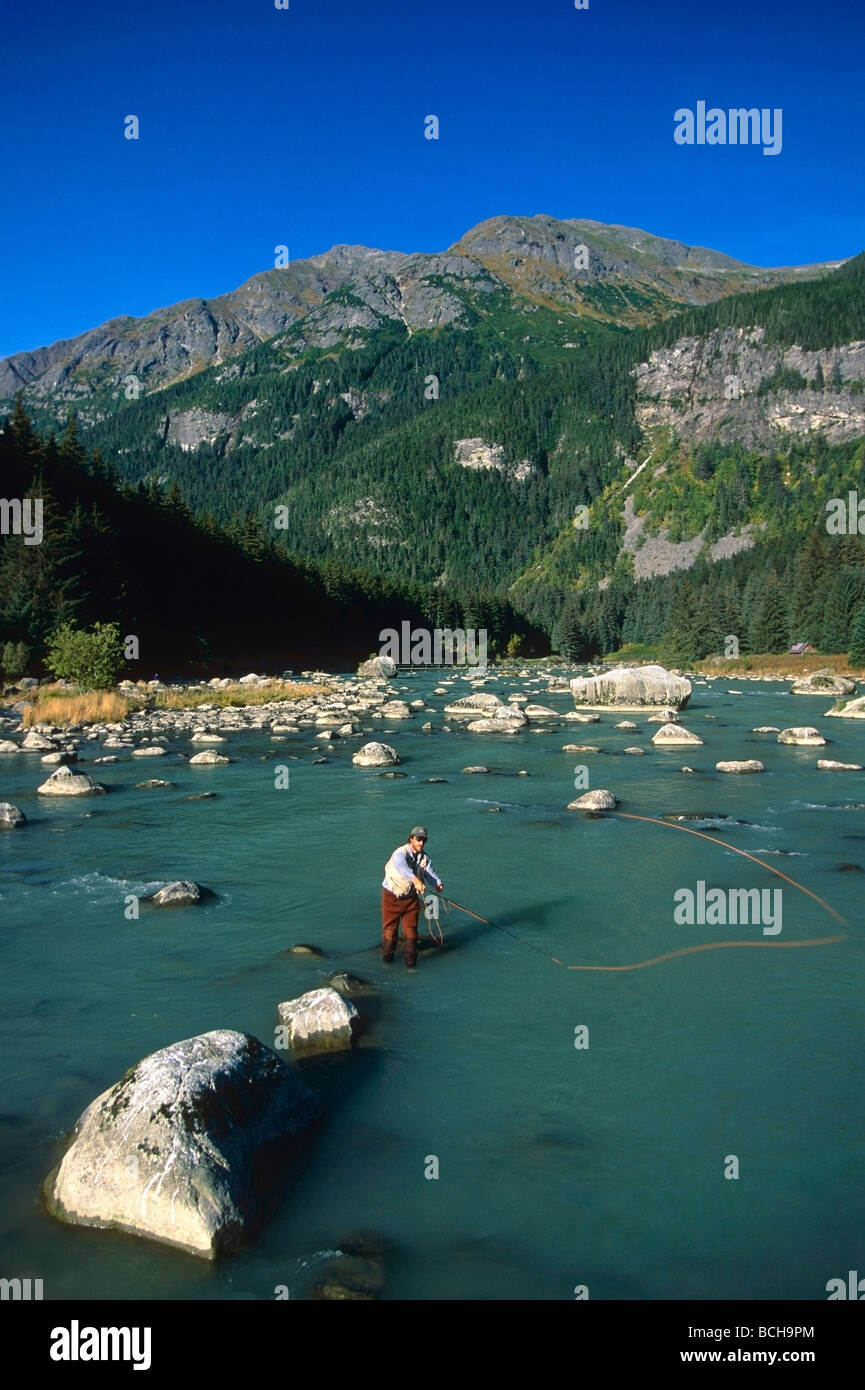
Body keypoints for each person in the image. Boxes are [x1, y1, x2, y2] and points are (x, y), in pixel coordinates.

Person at [381, 826, 444, 968]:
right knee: (390, 931)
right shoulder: (400, 854)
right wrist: (416, 881)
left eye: (424, 840)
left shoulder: (424, 857)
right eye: (419, 839)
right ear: (411, 839)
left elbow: (429, 873)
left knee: (411, 933)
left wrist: (437, 884)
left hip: (411, 900)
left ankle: (411, 966)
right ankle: (387, 963)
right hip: (391, 897)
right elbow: (401, 867)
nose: (421, 843)